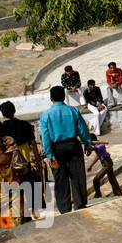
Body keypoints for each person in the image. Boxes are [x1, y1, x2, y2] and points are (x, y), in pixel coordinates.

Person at [39, 84, 91, 213]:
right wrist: (87, 143)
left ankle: (64, 207)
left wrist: (50, 155)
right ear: (64, 97)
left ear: (51, 98)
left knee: (60, 178)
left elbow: (45, 137)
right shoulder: (73, 110)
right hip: (73, 145)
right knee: (77, 175)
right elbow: (82, 129)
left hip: (56, 148)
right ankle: (79, 203)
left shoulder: (45, 115)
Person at [0, 102, 44, 222]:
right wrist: (38, 161)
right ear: (14, 111)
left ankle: (23, 214)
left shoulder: (1, 129)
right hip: (26, 163)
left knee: (16, 191)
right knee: (31, 186)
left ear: (2, 114)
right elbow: (33, 144)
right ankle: (34, 210)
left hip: (11, 166)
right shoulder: (25, 125)